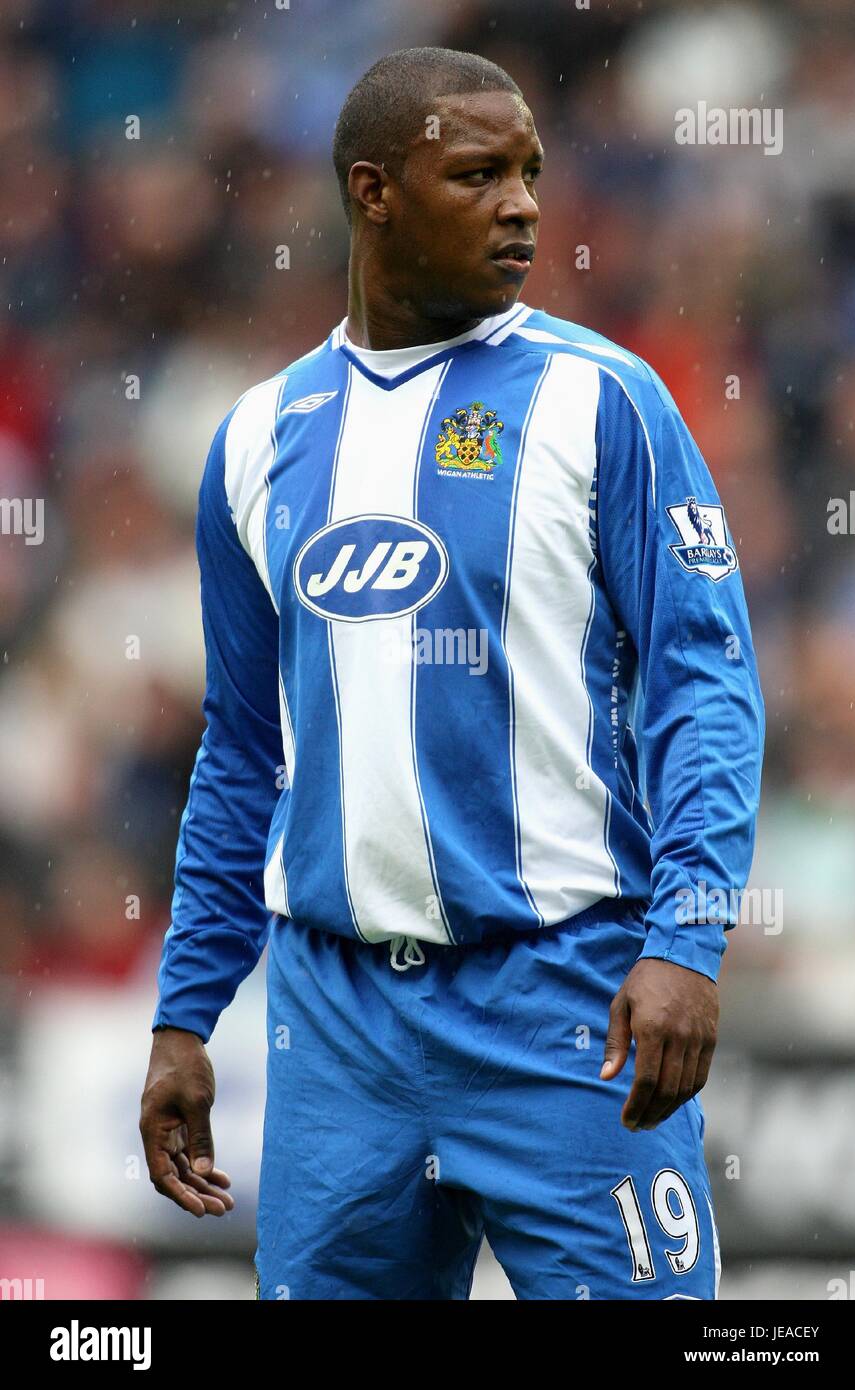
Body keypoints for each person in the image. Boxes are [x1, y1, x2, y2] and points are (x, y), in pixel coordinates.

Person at [140, 46, 765, 1301]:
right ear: (372, 191)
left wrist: (687, 938)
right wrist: (184, 1011)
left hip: (566, 1008)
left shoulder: (606, 404)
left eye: (529, 173)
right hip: (338, 1032)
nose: (523, 204)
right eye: (477, 174)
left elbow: (703, 684)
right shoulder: (259, 438)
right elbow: (244, 747)